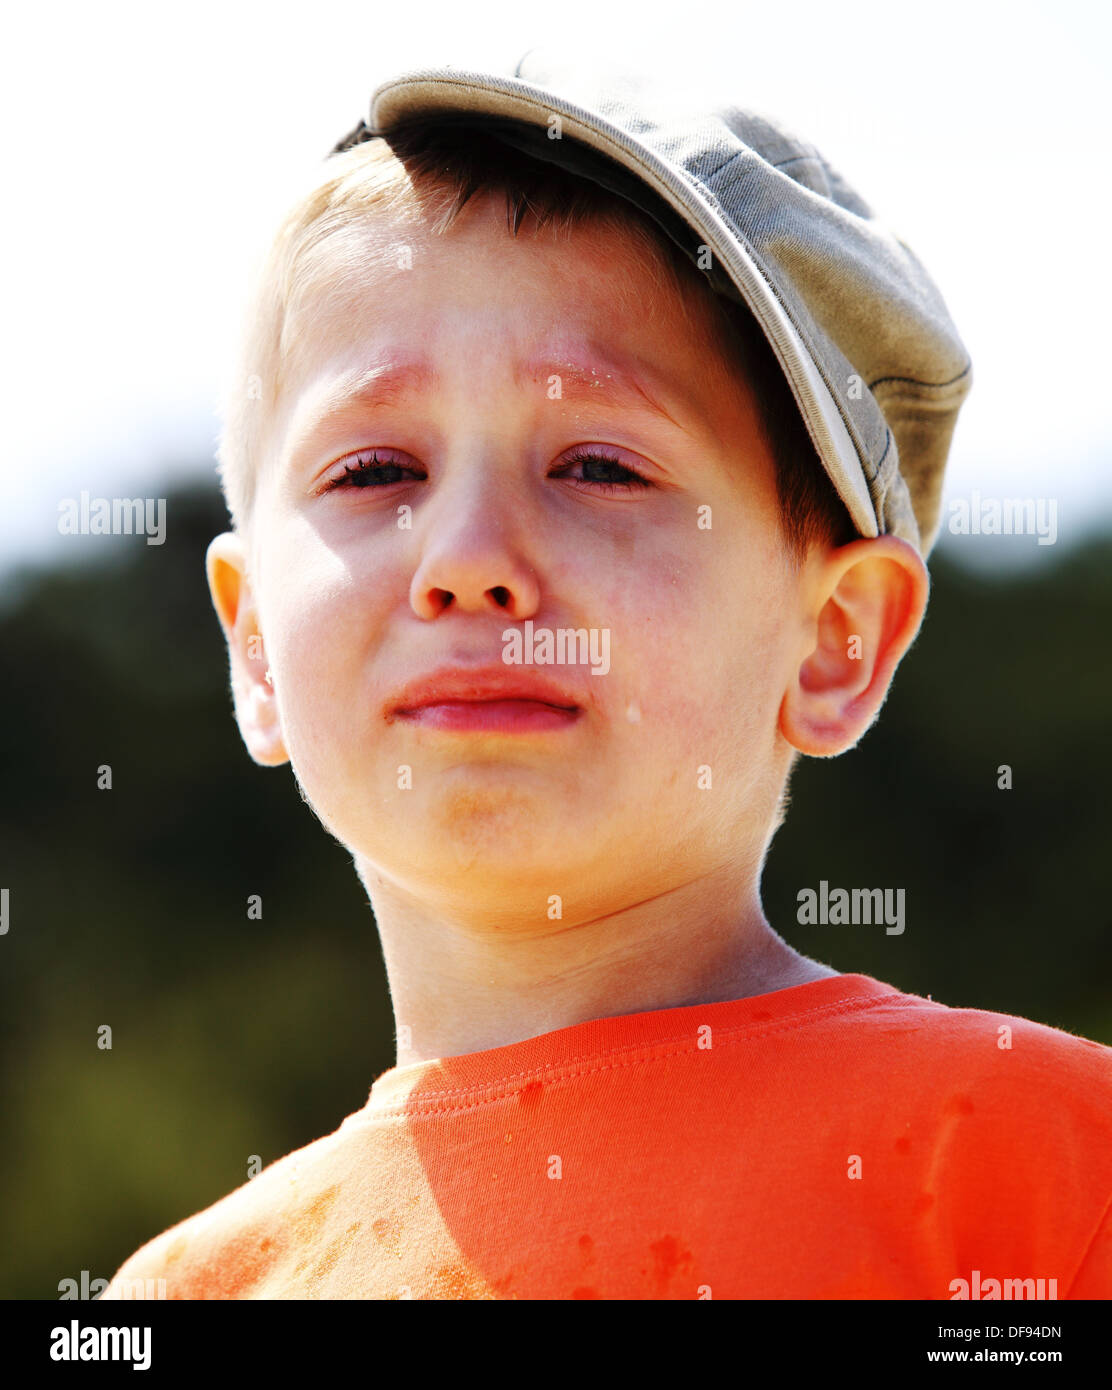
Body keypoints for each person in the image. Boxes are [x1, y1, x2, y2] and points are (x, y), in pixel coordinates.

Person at [102, 52, 1112, 1300]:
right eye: (373, 472)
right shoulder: (184, 1291)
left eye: (597, 465)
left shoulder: (1041, 1165)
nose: (467, 562)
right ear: (253, 645)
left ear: (835, 636)